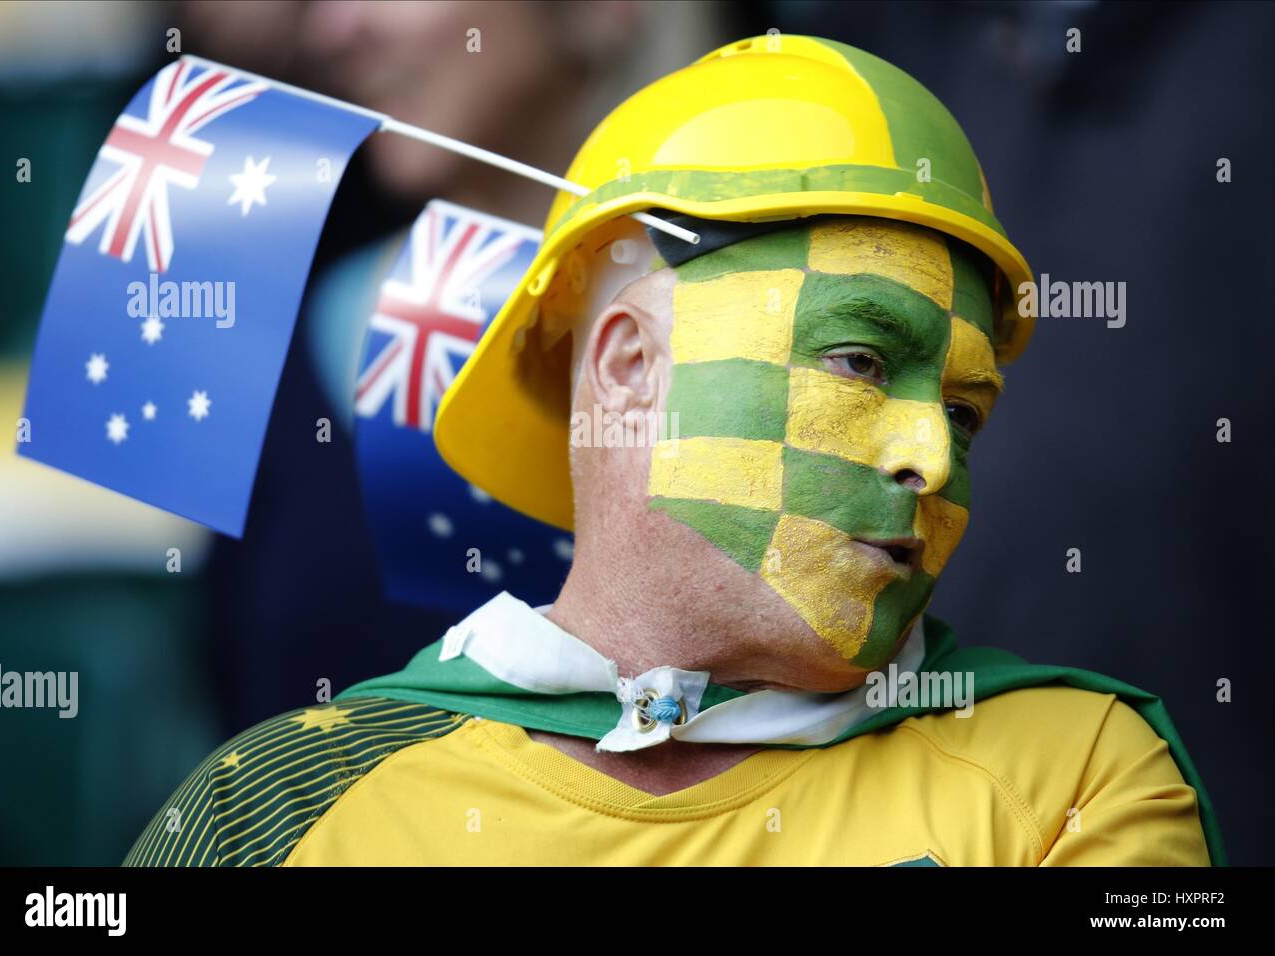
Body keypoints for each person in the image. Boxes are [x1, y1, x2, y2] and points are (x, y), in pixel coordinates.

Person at [124, 34, 1221, 867]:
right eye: (859, 361)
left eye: (968, 412)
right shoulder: (274, 806)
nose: (933, 456)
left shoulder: (1082, 771)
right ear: (627, 364)